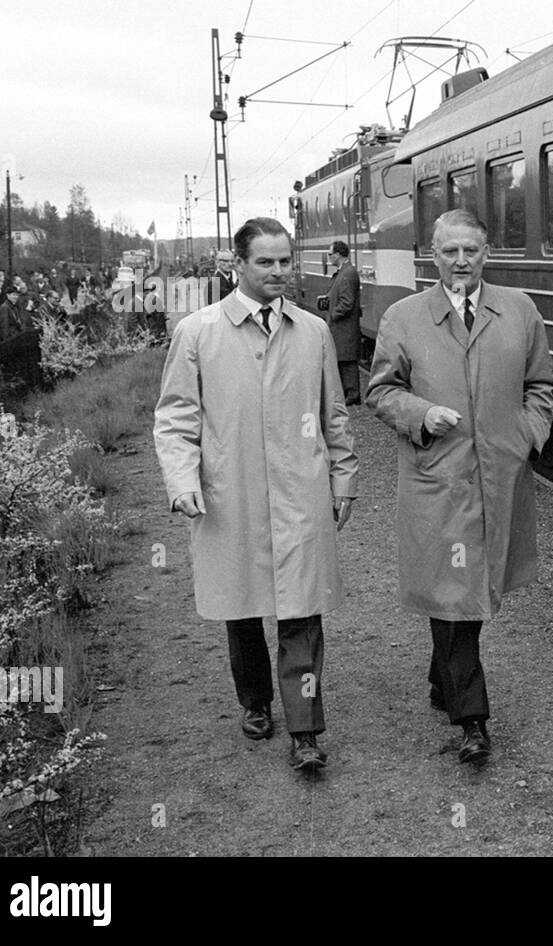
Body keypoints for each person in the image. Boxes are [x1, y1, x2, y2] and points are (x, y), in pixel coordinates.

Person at [153, 217, 358, 772]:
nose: (278, 272)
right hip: (231, 490)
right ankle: (256, 701)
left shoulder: (312, 331)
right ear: (238, 266)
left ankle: (306, 730)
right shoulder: (198, 333)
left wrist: (343, 479)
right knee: (240, 605)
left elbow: (332, 413)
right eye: (265, 262)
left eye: (285, 260)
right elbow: (175, 418)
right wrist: (182, 481)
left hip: (300, 490)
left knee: (302, 609)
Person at [366, 209, 553, 764]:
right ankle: (472, 720)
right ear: (432, 254)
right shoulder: (404, 318)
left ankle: (440, 679)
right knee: (455, 589)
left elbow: (542, 384)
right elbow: (380, 392)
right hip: (439, 479)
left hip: (499, 477)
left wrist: (525, 436)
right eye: (449, 251)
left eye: (470, 250)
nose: (460, 261)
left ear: (486, 252)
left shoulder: (519, 311)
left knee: (470, 588)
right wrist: (421, 415)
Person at [324, 240, 362, 405]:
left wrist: (333, 315)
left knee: (347, 361)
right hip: (342, 327)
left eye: (330, 254)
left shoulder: (347, 273)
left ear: (338, 255)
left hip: (344, 327)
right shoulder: (344, 272)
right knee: (344, 360)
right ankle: (349, 393)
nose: (329, 258)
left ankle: (353, 395)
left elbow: (347, 302)